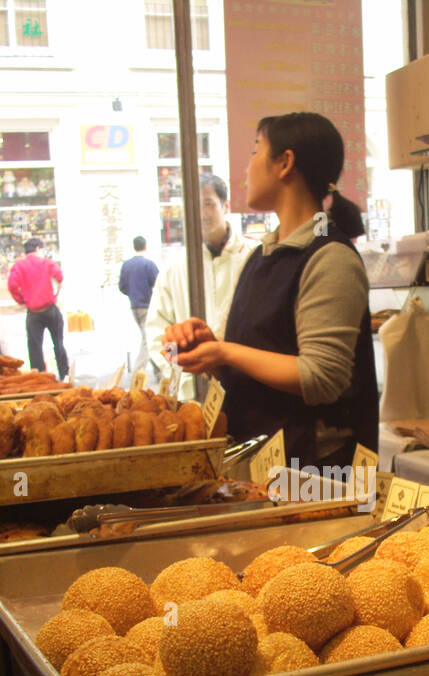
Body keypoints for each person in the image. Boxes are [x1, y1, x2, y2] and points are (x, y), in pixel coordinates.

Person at [164, 113, 377, 468]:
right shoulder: (261, 255)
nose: (246, 170)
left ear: (285, 163)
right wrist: (208, 346)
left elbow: (320, 376)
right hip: (260, 462)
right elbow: (259, 357)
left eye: (254, 151)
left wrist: (226, 353)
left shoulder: (330, 257)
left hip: (313, 476)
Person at [145, 175, 258, 392]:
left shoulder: (252, 257)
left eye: (208, 204)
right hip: (191, 391)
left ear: (226, 206)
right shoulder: (175, 266)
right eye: (194, 207)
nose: (202, 214)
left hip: (245, 385)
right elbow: (157, 331)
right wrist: (182, 367)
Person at [7, 237, 68, 380]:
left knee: (34, 347)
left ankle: (40, 378)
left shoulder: (19, 266)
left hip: (33, 312)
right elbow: (59, 276)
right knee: (58, 344)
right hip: (50, 309)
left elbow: (12, 285)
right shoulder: (46, 262)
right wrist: (56, 292)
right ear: (37, 249)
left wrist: (21, 300)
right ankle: (64, 375)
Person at [118, 235, 159, 361]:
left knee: (147, 337)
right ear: (145, 246)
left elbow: (122, 286)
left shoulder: (126, 265)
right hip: (147, 306)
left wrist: (132, 294)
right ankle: (138, 372)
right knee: (148, 340)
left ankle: (159, 373)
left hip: (134, 306)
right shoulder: (149, 264)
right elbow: (158, 285)